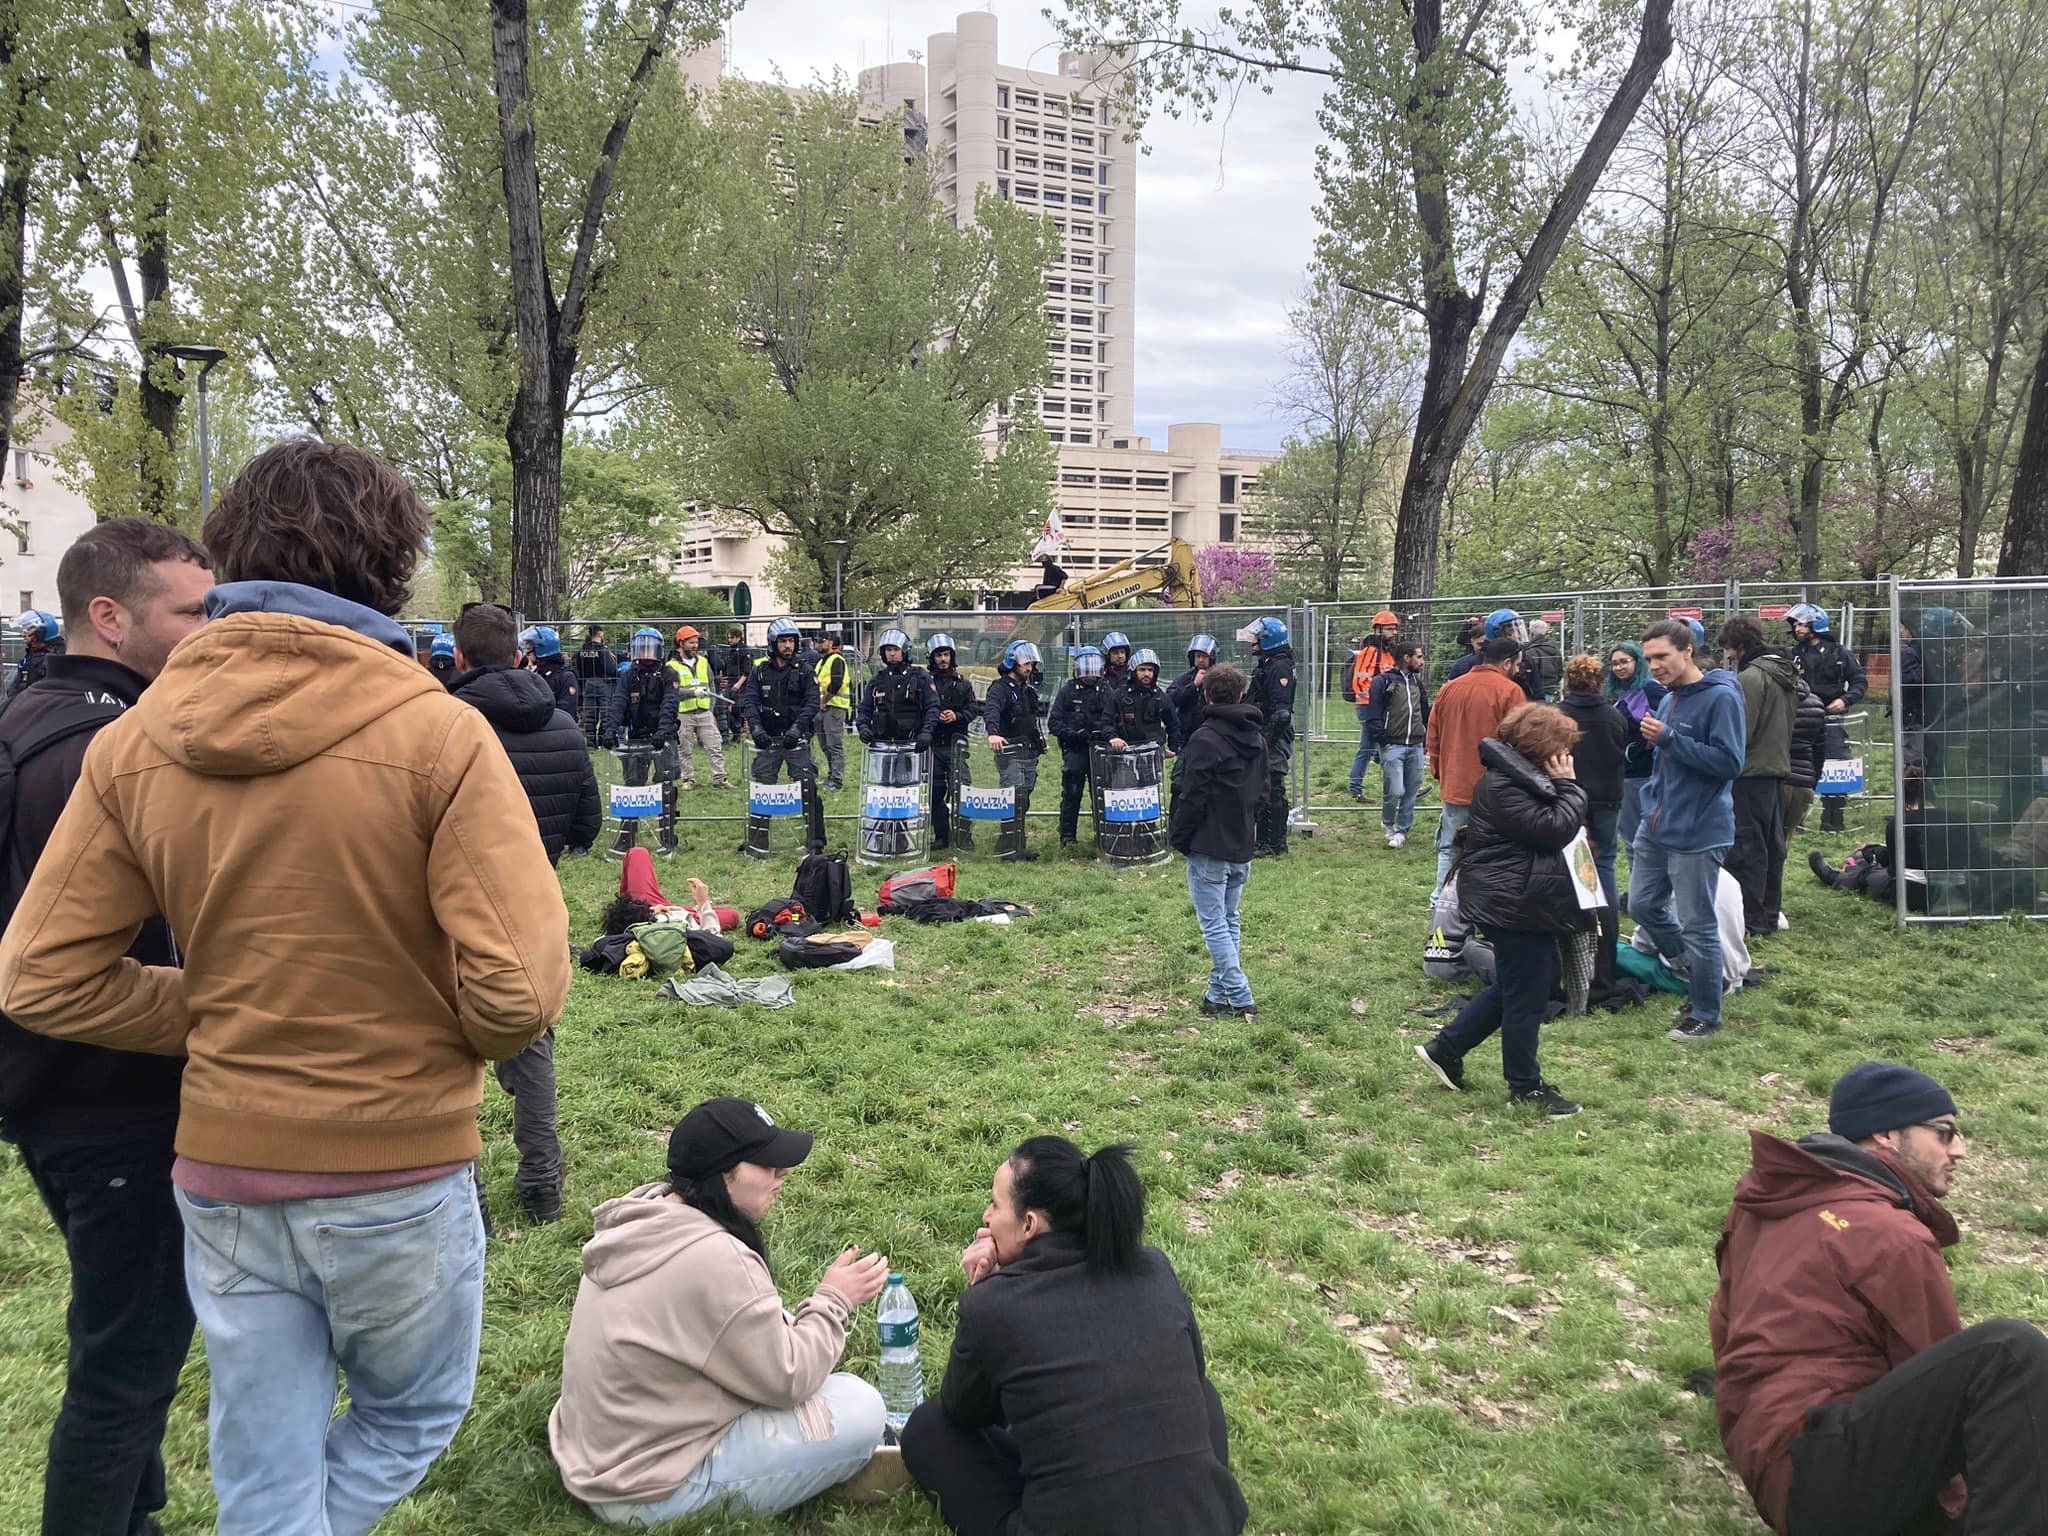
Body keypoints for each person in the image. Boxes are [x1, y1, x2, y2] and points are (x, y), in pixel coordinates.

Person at [0, 437, 571, 1536]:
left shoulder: (138, 739)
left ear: (230, 558)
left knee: (260, 1465)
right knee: (412, 1415)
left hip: (223, 1169)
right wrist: (245, 1009)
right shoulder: (441, 734)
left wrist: (216, 1011)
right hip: (393, 1160)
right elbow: (514, 997)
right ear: (395, 569)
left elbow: (38, 978)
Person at [0, 520, 213, 1536]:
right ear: (109, 615)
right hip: (109, 1097)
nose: (208, 631)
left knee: (121, 1341)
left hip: (45, 1091)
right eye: (190, 612)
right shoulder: (108, 753)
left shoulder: (26, 717)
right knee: (124, 1367)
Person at [1710, 1061, 2048, 1535]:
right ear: (1887, 1134)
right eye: (1945, 1133)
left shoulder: (1767, 1198)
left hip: (1771, 1461)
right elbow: (1939, 1382)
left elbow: (1723, 1323)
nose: (1962, 1150)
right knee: (2010, 1355)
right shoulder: (1887, 1233)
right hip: (1829, 1476)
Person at [550, 1099, 892, 1526]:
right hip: (649, 1491)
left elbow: (725, 1330)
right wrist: (833, 1300)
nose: (782, 1175)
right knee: (861, 1407)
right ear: (724, 1174)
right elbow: (791, 1377)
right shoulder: (718, 1258)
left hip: (598, 1450)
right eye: (766, 1164)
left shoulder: (647, 1215)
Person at [901, 1138, 1248, 1536]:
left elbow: (963, 1411)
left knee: (929, 1427)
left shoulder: (992, 1305)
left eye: (995, 1205)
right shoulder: (1153, 1268)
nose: (986, 1216)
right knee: (1201, 1391)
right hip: (1206, 1525)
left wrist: (983, 1290)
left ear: (1029, 1225)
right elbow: (1194, 1369)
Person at [449, 604, 600, 1226]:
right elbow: (589, 822)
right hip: (535, 903)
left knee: (447, 1055)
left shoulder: (444, 722)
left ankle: (469, 1197)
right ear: (519, 654)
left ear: (457, 657)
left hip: (454, 908)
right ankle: (543, 1183)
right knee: (532, 1041)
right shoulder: (563, 723)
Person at [1415, 703, 1592, 1117]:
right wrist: (1570, 787)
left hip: (1519, 897)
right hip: (1513, 902)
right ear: (1544, 750)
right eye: (1563, 748)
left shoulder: (1521, 779)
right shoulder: (1506, 786)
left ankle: (1447, 1048)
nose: (1568, 756)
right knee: (1527, 996)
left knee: (1520, 983)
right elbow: (1553, 830)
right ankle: (1525, 1086)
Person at [1628, 619, 1747, 1042]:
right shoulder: (1668, 699)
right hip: (1656, 824)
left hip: (1699, 831)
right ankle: (1692, 970)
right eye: (1649, 659)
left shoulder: (1721, 698)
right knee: (1642, 905)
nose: (1654, 666)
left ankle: (1706, 1014)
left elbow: (1731, 764)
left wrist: (1671, 739)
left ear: (1688, 651)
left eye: (1662, 657)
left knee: (1699, 924)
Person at [1168, 663, 1267, 1020]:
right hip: (1241, 841)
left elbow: (1192, 795)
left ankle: (1241, 997)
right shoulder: (1257, 736)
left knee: (1215, 922)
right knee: (1228, 919)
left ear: (1207, 694)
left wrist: (1179, 836)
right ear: (1241, 695)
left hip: (1209, 844)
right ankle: (1216, 995)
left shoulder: (1204, 739)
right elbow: (1263, 791)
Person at [1425, 635, 1528, 892]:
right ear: (1506, 663)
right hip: (1495, 788)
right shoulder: (1510, 692)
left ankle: (1441, 908)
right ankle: (1484, 908)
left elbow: (1433, 736)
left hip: (1455, 783)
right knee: (1494, 852)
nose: (1518, 671)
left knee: (1450, 849)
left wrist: (1441, 773)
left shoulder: (1449, 688)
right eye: (1517, 665)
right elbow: (1522, 742)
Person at [1721, 617, 1796, 939]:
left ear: (1739, 646)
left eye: (1728, 649)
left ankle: (1750, 920)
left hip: (1750, 771)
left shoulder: (1751, 679)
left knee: (1747, 847)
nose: (1726, 657)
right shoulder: (1784, 675)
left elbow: (1742, 731)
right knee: (1770, 846)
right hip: (1776, 768)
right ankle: (1767, 913)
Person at [740, 617, 825, 855]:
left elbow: (812, 703)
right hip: (767, 740)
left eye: (791, 641)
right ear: (773, 643)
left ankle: (815, 842)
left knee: (807, 788)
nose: (788, 646)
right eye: (783, 641)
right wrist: (756, 729)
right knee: (762, 790)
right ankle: (758, 842)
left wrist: (798, 728)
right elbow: (750, 701)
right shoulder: (760, 671)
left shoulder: (805, 671)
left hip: (796, 740)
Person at [603, 628, 684, 858]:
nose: (646, 654)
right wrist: (611, 729)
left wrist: (663, 730)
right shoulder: (629, 676)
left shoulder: (669, 674)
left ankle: (667, 837)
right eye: (642, 648)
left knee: (665, 786)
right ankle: (626, 837)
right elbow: (618, 703)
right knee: (633, 785)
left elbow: (670, 704)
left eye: (650, 649)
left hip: (662, 739)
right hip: (636, 738)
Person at [1787, 603, 1866, 834]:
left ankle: (1833, 818)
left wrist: (1845, 700)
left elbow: (1860, 682)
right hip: (1801, 719)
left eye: (1802, 624)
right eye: (1796, 624)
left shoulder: (1840, 653)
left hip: (1831, 718)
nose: (1798, 628)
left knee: (1836, 764)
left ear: (1816, 624)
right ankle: (1796, 819)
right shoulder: (1794, 654)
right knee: (1798, 766)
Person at [1557, 653, 1628, 906]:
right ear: (1599, 682)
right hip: (1607, 799)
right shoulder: (1614, 716)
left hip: (1568, 798)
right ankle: (1608, 922)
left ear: (1569, 681)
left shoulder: (1557, 716)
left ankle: (1576, 917)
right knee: (1605, 860)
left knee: (1568, 858)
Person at [983, 640, 1046, 861]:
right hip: (1010, 752)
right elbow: (991, 710)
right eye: (1025, 663)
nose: (1029, 668)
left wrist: (1039, 742)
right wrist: (993, 733)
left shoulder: (1027, 691)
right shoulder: (999, 688)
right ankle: (1011, 847)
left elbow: (1031, 721)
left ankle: (1013, 842)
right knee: (1014, 797)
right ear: (1013, 662)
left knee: (1024, 799)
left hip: (1028, 752)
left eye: (1032, 664)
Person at [1364, 639, 1431, 848]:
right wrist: (1384, 741)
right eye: (1419, 657)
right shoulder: (1382, 681)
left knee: (1411, 790)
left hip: (1416, 745)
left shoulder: (1417, 682)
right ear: (1406, 658)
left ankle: (1403, 830)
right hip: (1393, 745)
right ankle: (1388, 824)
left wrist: (1427, 738)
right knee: (1395, 790)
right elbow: (1373, 715)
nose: (1422, 661)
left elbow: (1425, 711)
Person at [1241, 615, 1296, 858]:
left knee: (1273, 788)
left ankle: (1274, 843)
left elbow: (1281, 713)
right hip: (1265, 733)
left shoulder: (1279, 667)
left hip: (1274, 735)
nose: (1253, 643)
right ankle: (1263, 840)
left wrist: (1264, 740)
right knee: (1264, 787)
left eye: (1257, 639)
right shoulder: (1269, 663)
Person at [1606, 639, 1668, 850]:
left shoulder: (1651, 690)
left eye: (1624, 662)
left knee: (1639, 839)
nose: (1619, 667)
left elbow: (1668, 722)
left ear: (1637, 662)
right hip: (1628, 771)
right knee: (1631, 835)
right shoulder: (1624, 692)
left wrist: (1647, 745)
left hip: (1644, 772)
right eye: (1614, 664)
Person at [1049, 646, 1111, 848]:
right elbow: (1054, 723)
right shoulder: (1067, 691)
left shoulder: (1106, 690)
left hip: (1101, 749)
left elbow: (1115, 718)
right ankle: (1067, 837)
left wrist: (1104, 733)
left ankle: (1103, 835)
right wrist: (1073, 734)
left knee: (1101, 794)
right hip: (1075, 749)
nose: (1090, 673)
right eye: (1086, 667)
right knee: (1072, 792)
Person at [927, 633, 981, 850]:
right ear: (932, 658)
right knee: (935, 793)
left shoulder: (963, 684)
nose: (943, 659)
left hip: (957, 746)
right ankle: (942, 836)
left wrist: (956, 716)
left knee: (962, 791)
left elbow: (973, 710)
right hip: (933, 745)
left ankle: (964, 836)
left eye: (946, 654)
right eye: (939, 655)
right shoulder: (925, 683)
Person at [1345, 610, 1401, 800]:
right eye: (1389, 629)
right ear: (1378, 630)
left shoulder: (1386, 653)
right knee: (1380, 746)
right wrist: (1377, 700)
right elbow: (1361, 681)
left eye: (1394, 629)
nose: (1393, 633)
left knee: (1370, 747)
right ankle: (1400, 786)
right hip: (1369, 706)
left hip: (1377, 706)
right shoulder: (1370, 652)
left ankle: (1356, 787)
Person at [855, 627, 939, 752]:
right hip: (882, 745)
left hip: (911, 744)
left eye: (896, 649)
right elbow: (865, 709)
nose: (892, 654)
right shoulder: (878, 679)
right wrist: (863, 727)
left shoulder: (920, 677)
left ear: (905, 651)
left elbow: (932, 707)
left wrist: (926, 732)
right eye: (888, 650)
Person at [666, 625, 729, 790]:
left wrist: (711, 710)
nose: (695, 646)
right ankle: (688, 779)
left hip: (704, 712)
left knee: (715, 745)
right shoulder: (671, 666)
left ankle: (720, 778)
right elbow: (672, 691)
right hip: (683, 714)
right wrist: (693, 692)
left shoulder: (703, 662)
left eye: (696, 642)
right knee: (684, 749)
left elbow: (712, 687)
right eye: (691, 642)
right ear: (681, 643)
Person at [1100, 646, 1179, 753]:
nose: (1146, 674)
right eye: (1142, 669)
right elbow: (1106, 722)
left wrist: (1173, 748)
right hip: (1124, 752)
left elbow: (1173, 725)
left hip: (1153, 753)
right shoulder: (1119, 695)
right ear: (1134, 671)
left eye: (1150, 670)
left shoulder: (1161, 697)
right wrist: (1113, 738)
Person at [812, 627, 853, 790]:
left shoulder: (836, 660)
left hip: (834, 707)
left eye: (822, 642)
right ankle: (831, 774)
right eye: (817, 642)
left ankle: (837, 780)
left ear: (830, 643)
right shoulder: (821, 662)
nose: (819, 644)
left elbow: (835, 685)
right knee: (825, 745)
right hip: (822, 708)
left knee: (834, 744)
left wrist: (823, 701)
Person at [1168, 633, 1217, 756]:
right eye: (1197, 656)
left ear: (1211, 657)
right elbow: (1171, 699)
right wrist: (1193, 686)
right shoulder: (1185, 678)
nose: (1200, 660)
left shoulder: (1220, 677)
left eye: (1204, 656)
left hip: (1213, 734)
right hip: (1188, 735)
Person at [521, 625, 578, 715]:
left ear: (541, 650)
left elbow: (566, 712)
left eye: (529, 649)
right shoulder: (537, 673)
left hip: (557, 726)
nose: (527, 654)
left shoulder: (565, 676)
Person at [575, 625, 618, 744]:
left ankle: (590, 740)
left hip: (587, 682)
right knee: (605, 713)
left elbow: (578, 667)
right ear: (600, 634)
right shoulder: (603, 650)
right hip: (603, 682)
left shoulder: (582, 650)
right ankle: (604, 739)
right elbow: (611, 668)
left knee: (589, 713)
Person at [8, 607, 64, 697]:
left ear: (41, 633)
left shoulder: (54, 658)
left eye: (29, 630)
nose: (23, 634)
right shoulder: (33, 653)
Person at [715, 625, 753, 744]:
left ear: (738, 637)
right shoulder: (730, 650)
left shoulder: (744, 651)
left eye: (731, 638)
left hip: (740, 683)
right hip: (730, 682)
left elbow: (747, 671)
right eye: (729, 638)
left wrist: (738, 684)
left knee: (737, 708)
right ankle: (736, 730)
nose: (729, 640)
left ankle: (737, 731)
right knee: (722, 708)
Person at [1520, 617, 1564, 702]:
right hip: (1550, 689)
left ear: (1531, 633)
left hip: (1534, 692)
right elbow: (1560, 670)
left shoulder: (1530, 652)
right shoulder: (1554, 649)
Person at [1445, 618, 1486, 683]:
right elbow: (1461, 640)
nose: (1483, 648)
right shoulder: (1462, 665)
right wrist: (1467, 624)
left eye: (1487, 645)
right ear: (1472, 641)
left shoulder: (1500, 663)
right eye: (1480, 644)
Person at [1099, 629, 1133, 697]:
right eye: (1115, 653)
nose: (1120, 656)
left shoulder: (1133, 673)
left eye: (1122, 652)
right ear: (1108, 655)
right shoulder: (1101, 675)